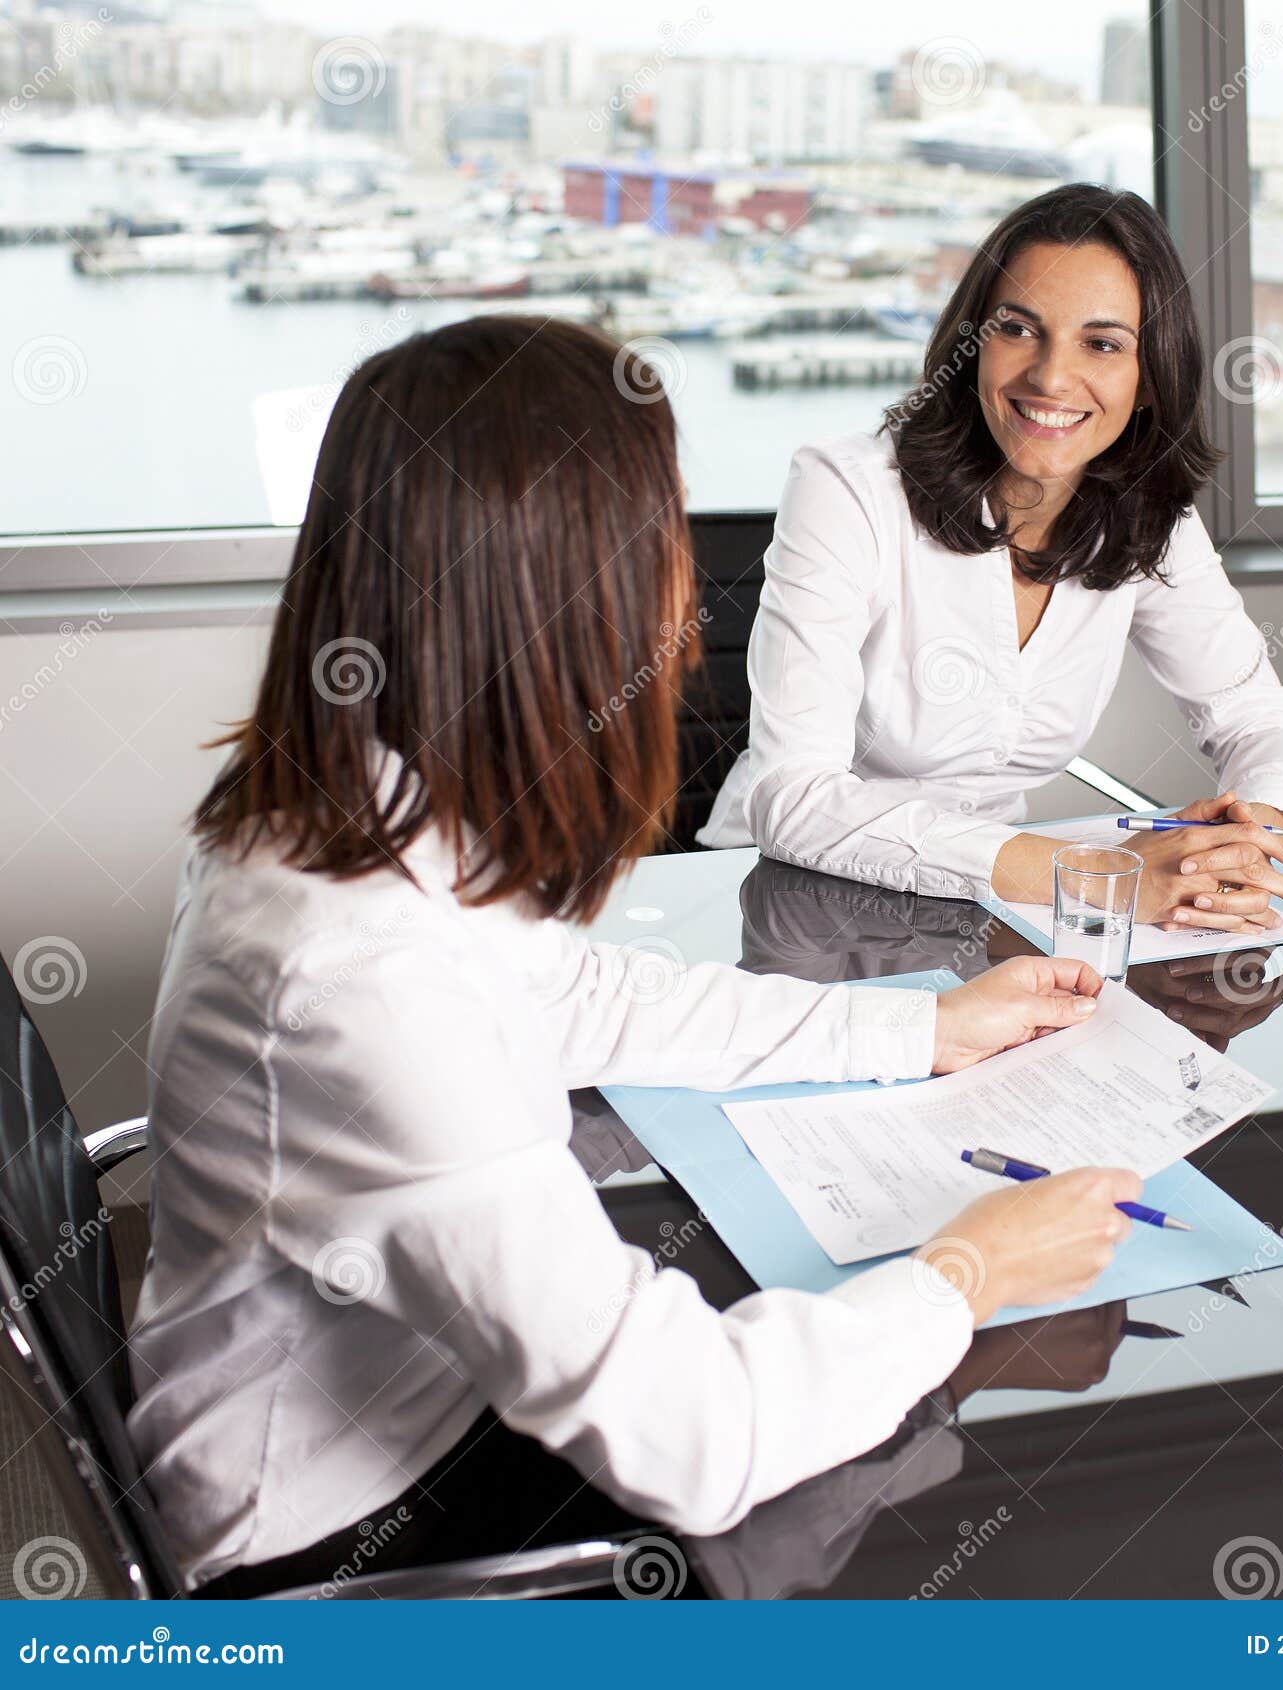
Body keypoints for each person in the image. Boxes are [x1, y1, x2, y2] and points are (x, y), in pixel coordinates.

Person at [126, 315, 1140, 1594]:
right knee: (889, 1520)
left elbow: (577, 997)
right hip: (330, 1540)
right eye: (658, 534)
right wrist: (970, 1270)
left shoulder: (357, 797)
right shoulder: (358, 976)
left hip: (413, 1403)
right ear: (561, 587)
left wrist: (919, 1028)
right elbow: (696, 1437)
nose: (677, 587)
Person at [700, 183, 1283, 936]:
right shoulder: (847, 489)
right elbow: (792, 799)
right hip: (789, 902)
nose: (1051, 378)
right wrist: (1089, 876)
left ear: (1150, 377)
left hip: (993, 913)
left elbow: (1255, 716)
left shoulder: (1150, 514)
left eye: (1102, 344)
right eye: (1019, 329)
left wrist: (1248, 838)